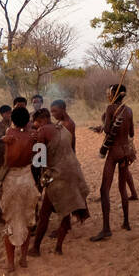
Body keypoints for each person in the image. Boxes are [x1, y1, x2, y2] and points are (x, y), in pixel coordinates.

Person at [28, 108, 91, 256]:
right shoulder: (63, 128)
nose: (35, 125)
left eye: (35, 122)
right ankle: (58, 248)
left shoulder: (43, 131)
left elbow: (39, 161)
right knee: (66, 211)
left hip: (58, 176)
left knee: (44, 214)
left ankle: (36, 247)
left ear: (41, 120)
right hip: (73, 173)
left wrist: (34, 142)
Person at [89, 82, 135, 241]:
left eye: (109, 92)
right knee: (122, 188)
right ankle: (126, 222)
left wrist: (105, 122)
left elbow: (108, 130)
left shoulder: (110, 109)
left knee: (104, 190)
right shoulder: (128, 110)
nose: (108, 94)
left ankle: (106, 228)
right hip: (125, 152)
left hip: (114, 153)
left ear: (114, 94)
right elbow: (131, 132)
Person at [0, 106, 39, 272]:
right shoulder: (33, 136)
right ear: (28, 120)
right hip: (27, 177)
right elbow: (38, 159)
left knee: (11, 220)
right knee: (27, 219)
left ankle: (10, 262)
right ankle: (23, 258)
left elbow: (6, 159)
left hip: (12, 179)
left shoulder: (9, 134)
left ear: (13, 120)